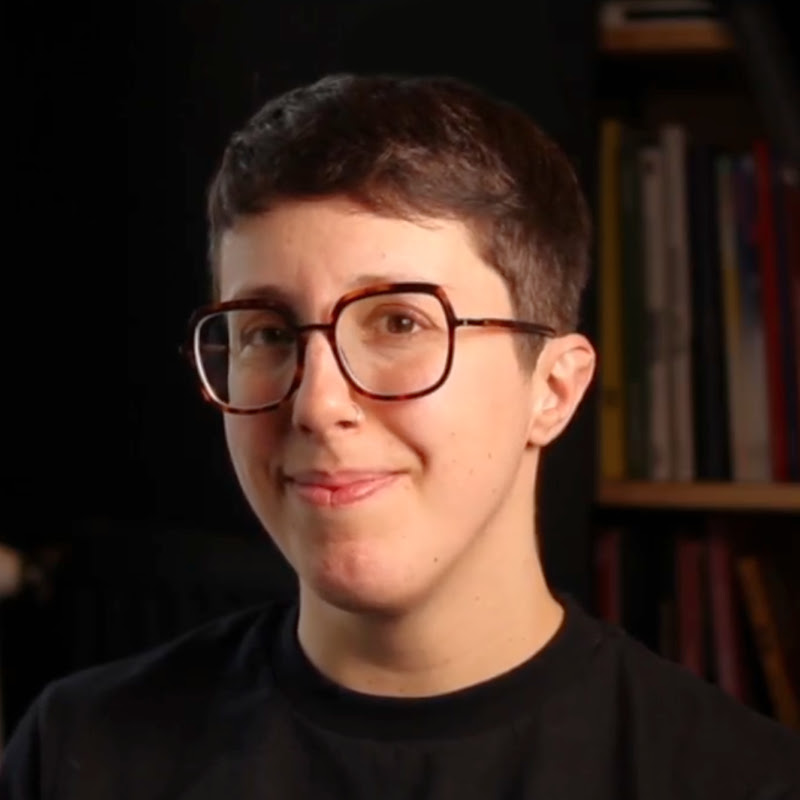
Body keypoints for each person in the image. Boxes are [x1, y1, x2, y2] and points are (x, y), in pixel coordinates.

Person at [1, 73, 798, 799]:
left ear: (553, 391)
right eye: (267, 333)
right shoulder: (75, 753)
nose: (318, 405)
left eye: (399, 323)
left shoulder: (741, 782)